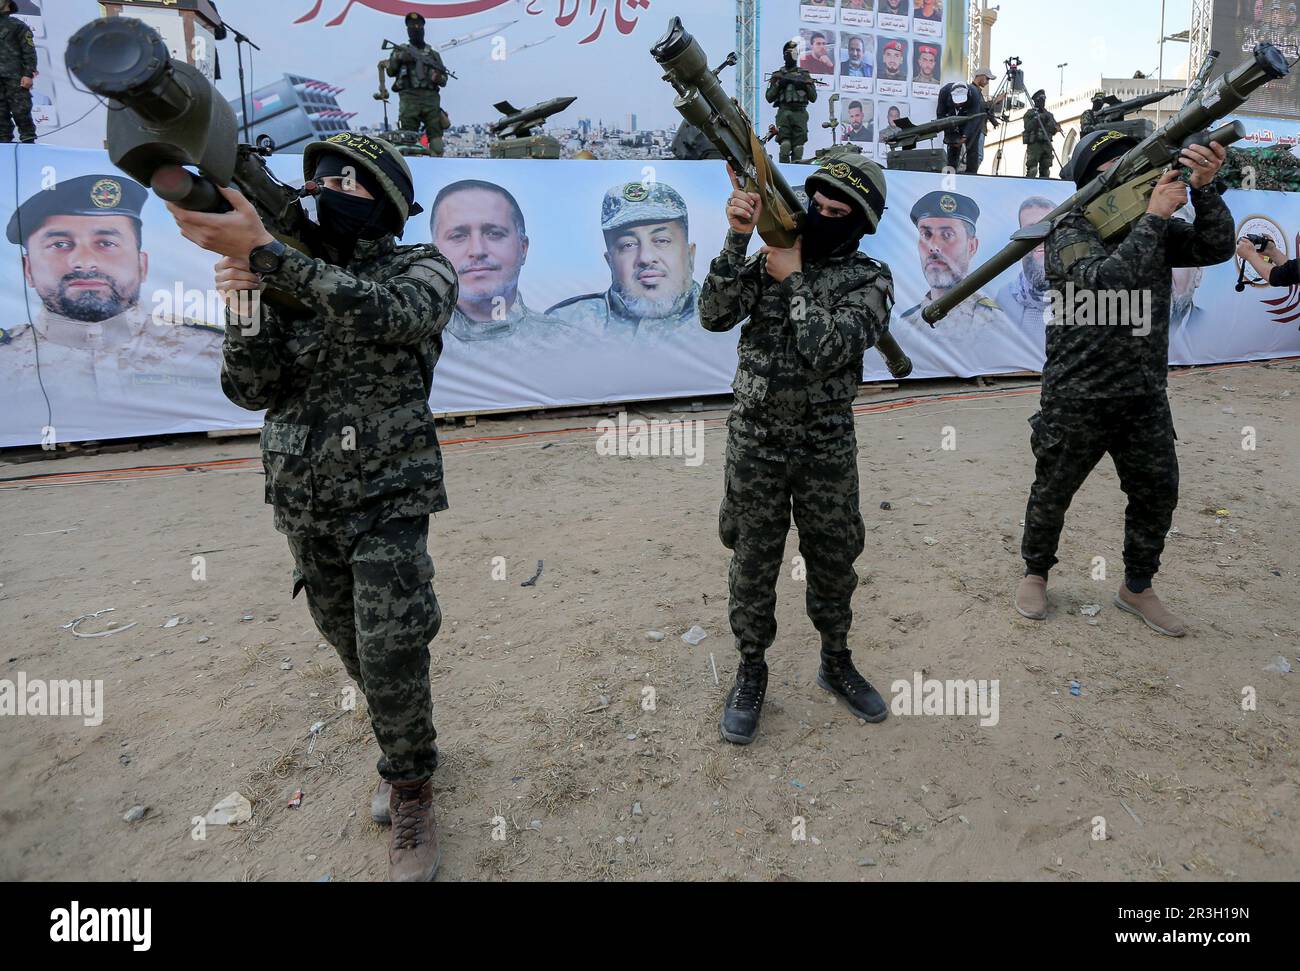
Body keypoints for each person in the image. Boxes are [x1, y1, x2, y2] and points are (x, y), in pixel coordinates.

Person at [165, 132, 458, 881]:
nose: (327, 187)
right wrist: (249, 306)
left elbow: (389, 316)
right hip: (303, 496)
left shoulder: (419, 267)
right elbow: (251, 389)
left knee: (390, 647)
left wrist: (270, 256)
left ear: (388, 202)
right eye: (320, 176)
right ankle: (410, 742)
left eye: (350, 182)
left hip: (389, 494)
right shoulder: (285, 278)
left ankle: (412, 785)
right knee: (350, 643)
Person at [699, 147, 896, 745]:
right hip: (755, 440)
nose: (821, 214)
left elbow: (830, 348)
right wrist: (737, 244)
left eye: (837, 210)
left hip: (825, 443)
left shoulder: (870, 279)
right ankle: (751, 667)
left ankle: (836, 660)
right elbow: (712, 314)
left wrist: (796, 280)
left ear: (860, 222)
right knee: (753, 558)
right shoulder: (771, 258)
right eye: (815, 203)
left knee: (834, 557)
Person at [1015, 130, 1234, 636]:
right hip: (1077, 394)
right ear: (1100, 178)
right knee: (1053, 490)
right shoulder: (1069, 228)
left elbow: (1215, 247)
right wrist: (1156, 217)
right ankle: (1036, 572)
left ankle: (1137, 586)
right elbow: (1108, 280)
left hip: (1142, 394)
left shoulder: (1152, 228)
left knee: (1157, 491)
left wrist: (1204, 188)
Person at [1, 174, 223, 443]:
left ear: (143, 265)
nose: (84, 262)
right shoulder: (6, 361)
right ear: (28, 270)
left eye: (106, 243)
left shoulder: (208, 349)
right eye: (59, 244)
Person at [429, 179, 579, 347]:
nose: (477, 250)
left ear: (523, 248)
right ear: (435, 253)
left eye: (494, 233)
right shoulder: (408, 342)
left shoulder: (569, 343)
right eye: (458, 236)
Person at [547, 180, 699, 340]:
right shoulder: (564, 324)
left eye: (662, 240)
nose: (646, 258)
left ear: (690, 255)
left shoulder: (725, 321)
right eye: (628, 244)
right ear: (610, 262)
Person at [899, 190, 1008, 341]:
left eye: (947, 235)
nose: (934, 246)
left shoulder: (991, 320)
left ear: (972, 246)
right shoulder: (907, 322)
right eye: (926, 235)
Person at [995, 195, 1056, 350]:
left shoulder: (1079, 291)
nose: (1039, 238)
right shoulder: (1006, 297)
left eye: (1046, 228)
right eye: (1030, 228)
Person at [386, 12, 450, 157]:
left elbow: (444, 79)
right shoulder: (400, 50)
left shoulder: (433, 55)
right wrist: (400, 58)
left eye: (418, 26)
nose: (415, 29)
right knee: (407, 139)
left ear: (423, 28)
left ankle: (437, 166)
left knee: (436, 141)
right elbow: (390, 71)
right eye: (411, 27)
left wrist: (437, 78)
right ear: (407, 29)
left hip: (430, 99)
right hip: (409, 98)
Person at [765, 40, 818, 163]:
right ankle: (784, 172)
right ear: (784, 55)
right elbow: (769, 97)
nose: (791, 56)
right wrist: (779, 84)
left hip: (800, 113)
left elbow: (813, 97)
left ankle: (796, 170)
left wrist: (804, 86)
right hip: (784, 112)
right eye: (788, 53)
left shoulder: (804, 75)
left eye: (794, 53)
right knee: (785, 146)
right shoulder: (777, 75)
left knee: (798, 148)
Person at [0, 0, 35, 144]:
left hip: (15, 78)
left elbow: (29, 52)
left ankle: (29, 144)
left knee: (21, 113)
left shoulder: (18, 25)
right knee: (0, 116)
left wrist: (28, 74)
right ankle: (3, 147)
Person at [1022, 89, 1061, 178]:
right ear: (1036, 100)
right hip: (1035, 143)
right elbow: (1027, 127)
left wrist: (1055, 128)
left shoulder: (1049, 115)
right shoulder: (1030, 113)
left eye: (1044, 99)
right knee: (1032, 169)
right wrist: (1037, 118)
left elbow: (1053, 128)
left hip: (1046, 144)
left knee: (1046, 170)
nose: (1043, 102)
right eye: (1040, 99)